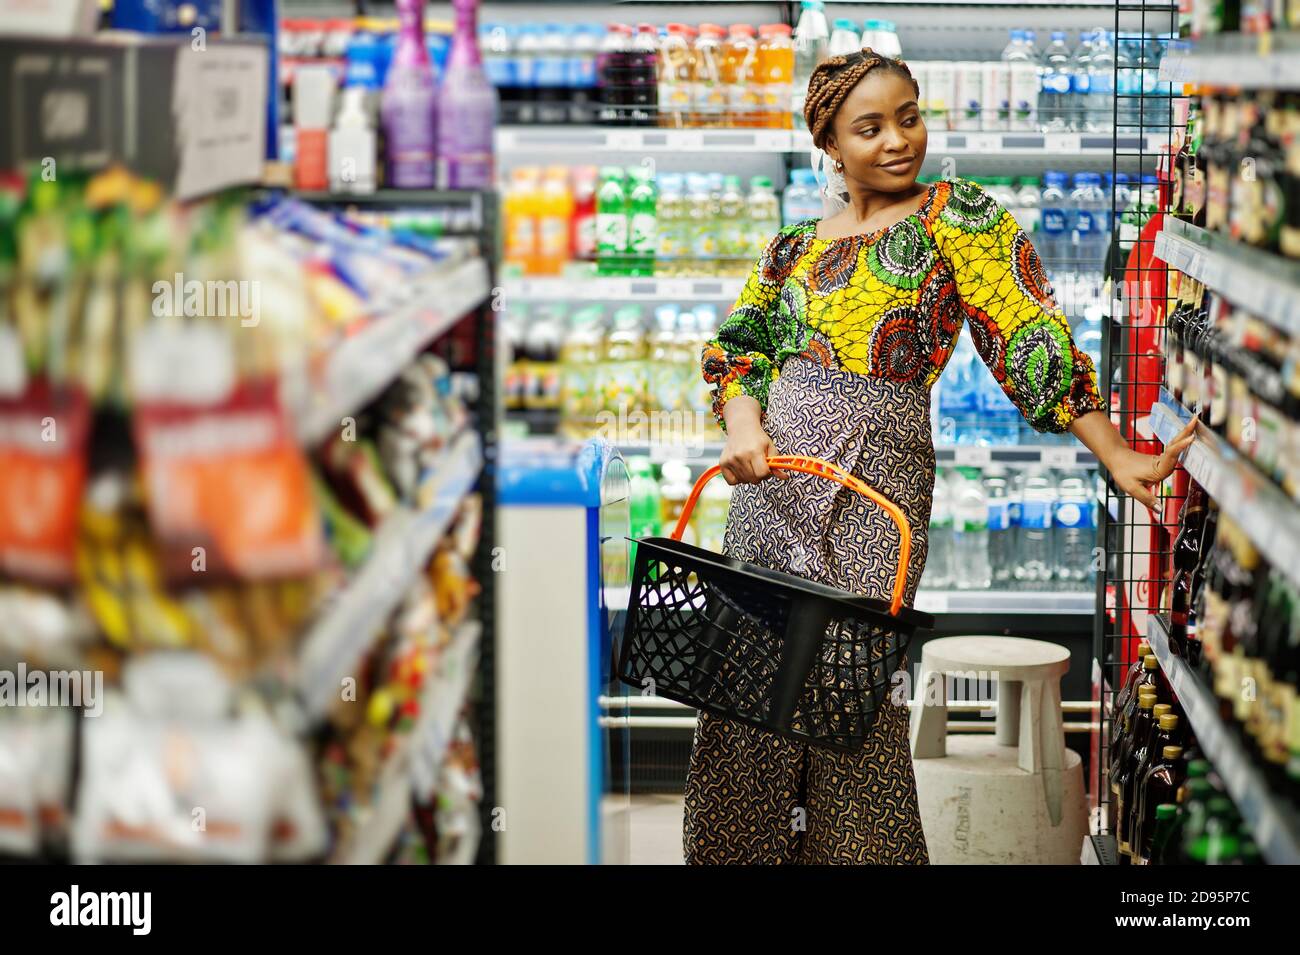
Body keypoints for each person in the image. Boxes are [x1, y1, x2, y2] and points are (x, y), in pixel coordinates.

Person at [684, 48, 1196, 865]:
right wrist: (743, 420)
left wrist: (1113, 451)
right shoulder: (792, 250)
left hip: (877, 485)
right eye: (870, 126)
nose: (897, 140)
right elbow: (739, 348)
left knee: (852, 697)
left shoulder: (959, 217)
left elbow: (1028, 331)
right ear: (830, 145)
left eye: (910, 116)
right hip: (773, 485)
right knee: (749, 695)